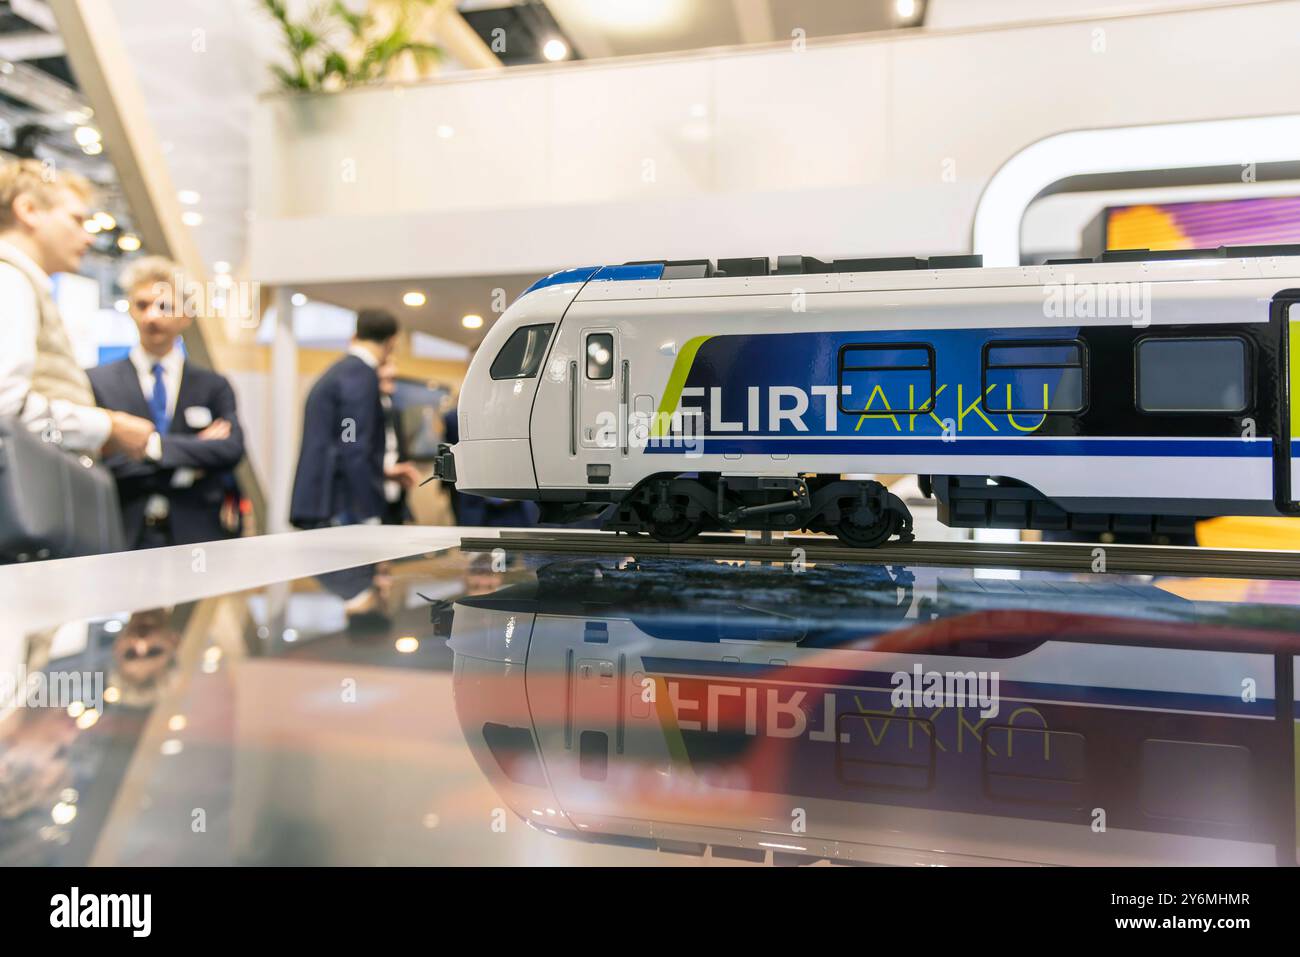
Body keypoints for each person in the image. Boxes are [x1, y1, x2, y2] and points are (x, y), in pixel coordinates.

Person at [0, 159, 154, 460]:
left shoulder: (19, 283)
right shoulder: (11, 281)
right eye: (76, 219)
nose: (89, 237)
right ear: (29, 210)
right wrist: (107, 426)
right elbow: (5, 405)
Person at [88, 257, 246, 548]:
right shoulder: (98, 382)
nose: (151, 317)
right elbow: (106, 460)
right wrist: (193, 457)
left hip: (196, 536)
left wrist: (150, 447)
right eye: (142, 305)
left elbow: (230, 450)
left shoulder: (213, 385)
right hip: (123, 532)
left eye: (164, 306)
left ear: (186, 315)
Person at [290, 308, 407, 528]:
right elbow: (352, 440)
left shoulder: (341, 371)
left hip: (324, 499)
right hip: (339, 504)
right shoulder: (360, 375)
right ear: (392, 341)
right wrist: (368, 508)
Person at [377, 359, 421, 525]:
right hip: (370, 499)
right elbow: (351, 449)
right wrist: (387, 471)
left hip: (395, 500)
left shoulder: (394, 411)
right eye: (384, 365)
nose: (392, 371)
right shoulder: (353, 414)